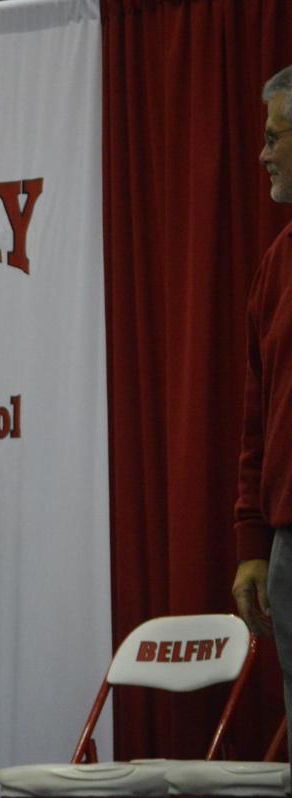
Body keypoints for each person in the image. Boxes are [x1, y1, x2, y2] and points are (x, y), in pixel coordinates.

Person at [234, 63, 292, 765]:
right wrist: (253, 539)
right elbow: (258, 414)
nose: (263, 152)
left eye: (276, 135)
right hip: (288, 543)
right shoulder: (278, 261)